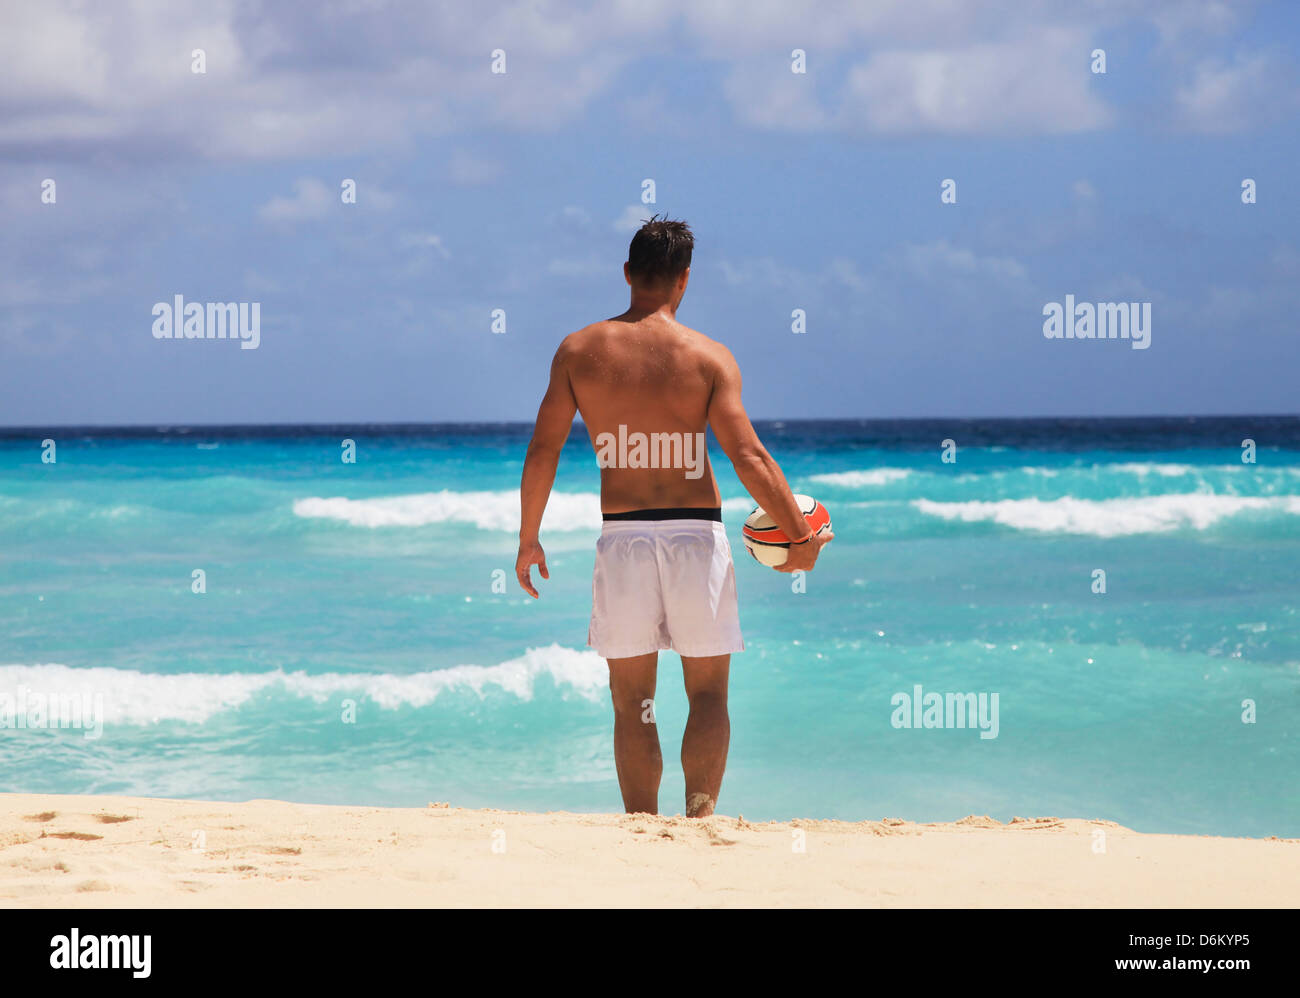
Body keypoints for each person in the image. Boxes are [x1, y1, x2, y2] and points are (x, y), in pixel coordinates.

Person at [516, 216, 832, 817]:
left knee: (631, 697)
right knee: (708, 692)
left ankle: (640, 825)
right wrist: (799, 534)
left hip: (624, 536)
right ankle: (700, 818)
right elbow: (748, 455)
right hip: (696, 534)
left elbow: (544, 449)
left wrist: (529, 538)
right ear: (685, 280)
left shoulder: (578, 351)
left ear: (629, 274)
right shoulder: (708, 357)